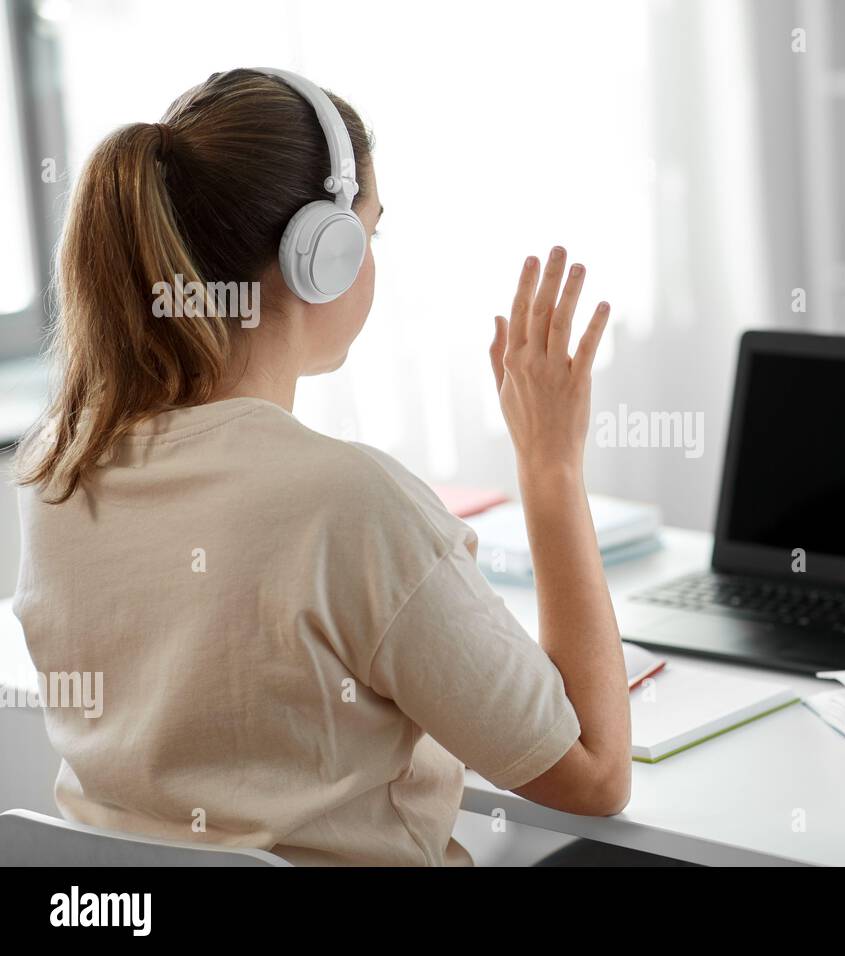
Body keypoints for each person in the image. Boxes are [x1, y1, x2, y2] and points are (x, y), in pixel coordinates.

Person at [14, 68, 630, 866]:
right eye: (368, 233)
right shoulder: (349, 503)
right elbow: (595, 776)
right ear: (321, 256)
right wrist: (551, 471)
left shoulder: (56, 470)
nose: (371, 257)